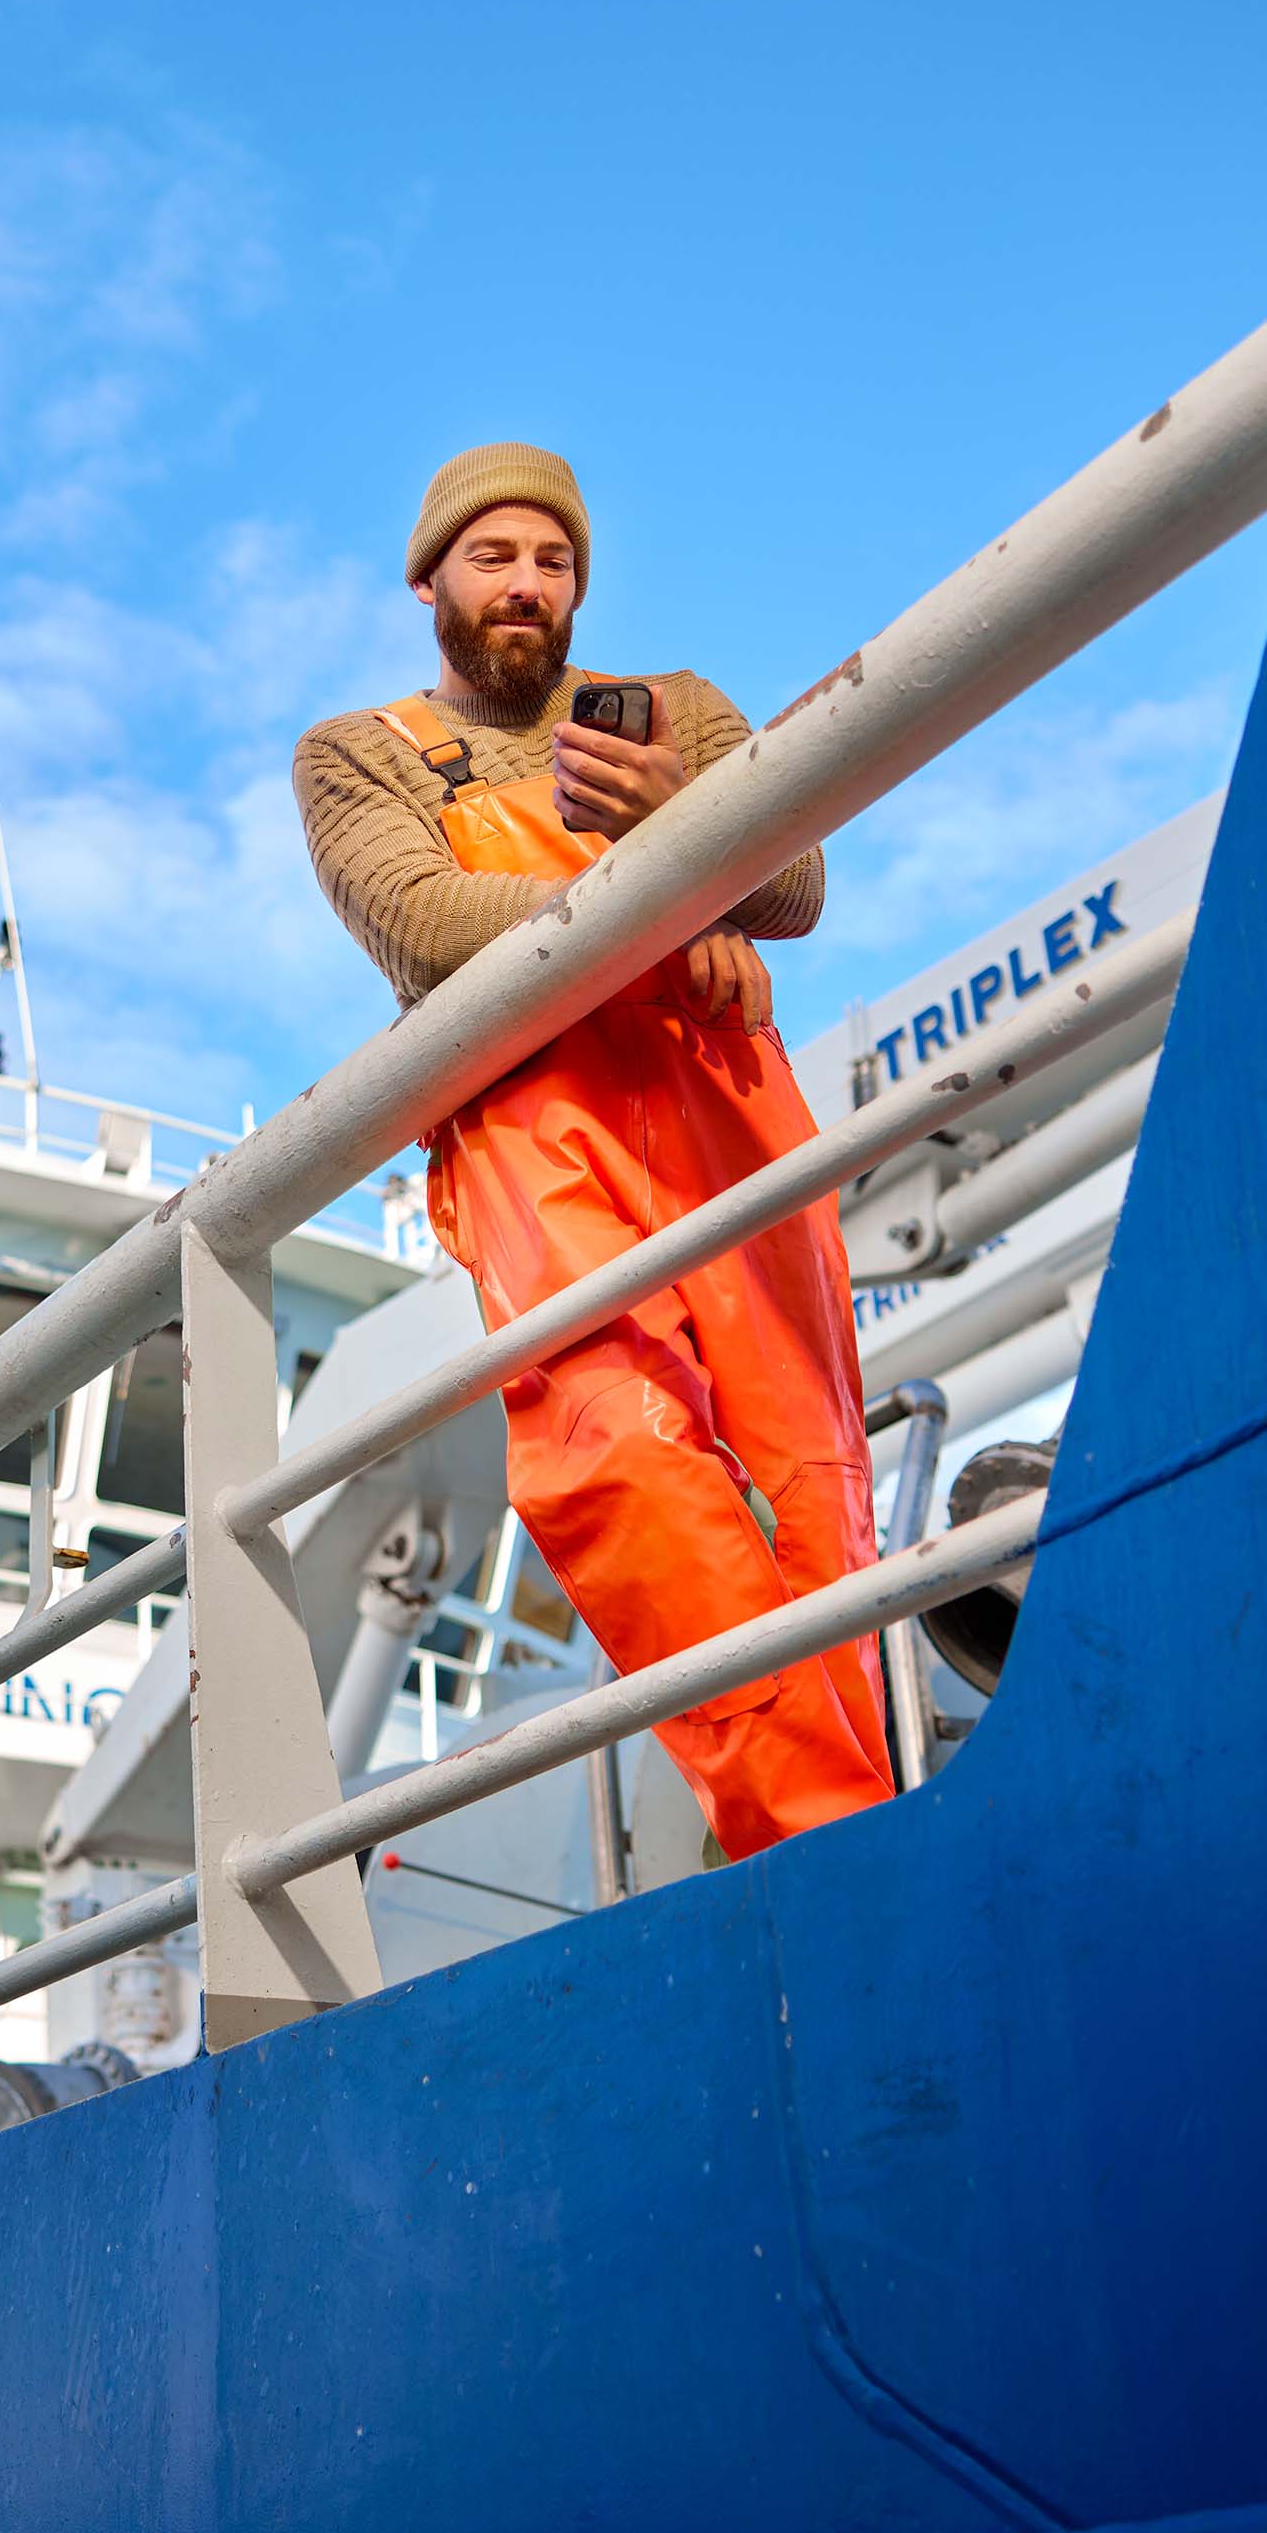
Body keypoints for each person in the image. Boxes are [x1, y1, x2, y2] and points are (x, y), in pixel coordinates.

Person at [292, 442, 891, 1862]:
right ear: (428, 576)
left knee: (816, 1477)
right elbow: (419, 923)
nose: (526, 587)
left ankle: (869, 1813)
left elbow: (797, 883)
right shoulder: (358, 754)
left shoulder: (677, 712)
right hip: (530, 1123)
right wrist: (680, 903)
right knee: (618, 1453)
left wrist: (678, 808)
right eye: (492, 558)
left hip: (723, 1108)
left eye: (553, 563)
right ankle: (818, 1830)